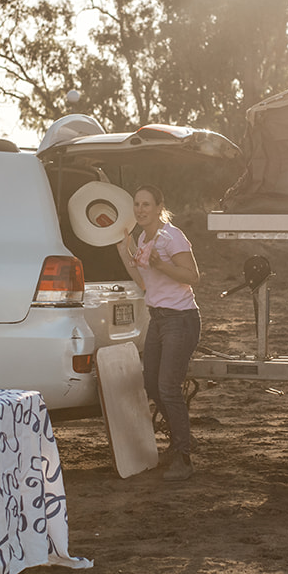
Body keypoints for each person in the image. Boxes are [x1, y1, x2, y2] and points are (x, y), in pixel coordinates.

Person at [115, 184, 201, 480]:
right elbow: (143, 282)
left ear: (159, 206)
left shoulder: (171, 237)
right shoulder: (142, 237)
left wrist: (162, 265)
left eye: (146, 204)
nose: (140, 210)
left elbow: (193, 276)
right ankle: (180, 442)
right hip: (159, 318)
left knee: (167, 387)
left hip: (180, 318)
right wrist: (124, 252)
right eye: (137, 204)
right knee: (152, 384)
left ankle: (184, 458)